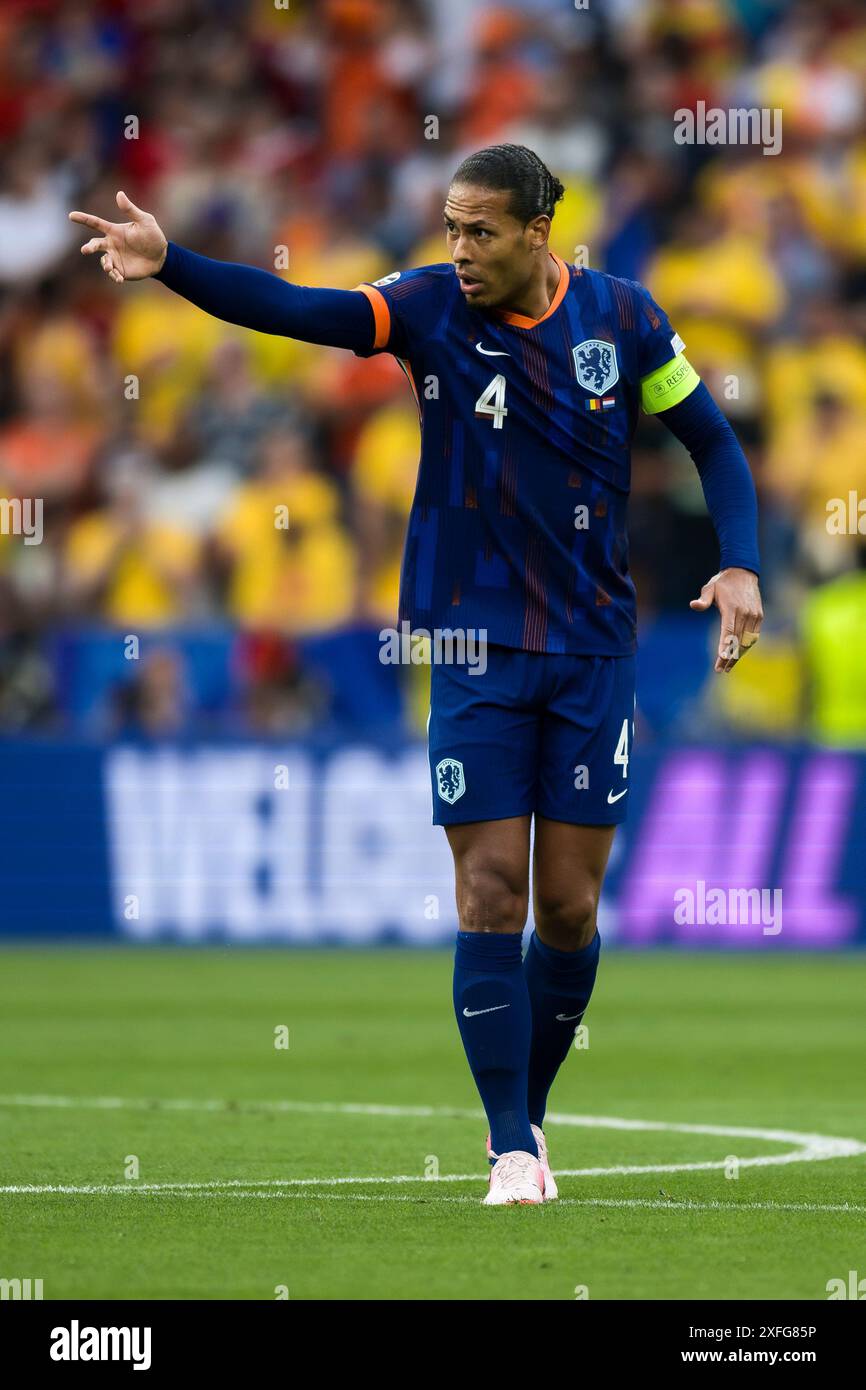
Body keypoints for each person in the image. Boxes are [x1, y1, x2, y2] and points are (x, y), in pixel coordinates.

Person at [70, 143, 763, 1206]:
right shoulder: (431, 309)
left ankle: (526, 1116)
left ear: (538, 231)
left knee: (570, 908)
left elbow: (710, 442)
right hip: (475, 648)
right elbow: (298, 309)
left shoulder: (623, 322)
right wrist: (174, 263)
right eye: (449, 228)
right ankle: (508, 1151)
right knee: (490, 890)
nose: (459, 249)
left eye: (479, 230)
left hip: (592, 650)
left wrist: (738, 562)